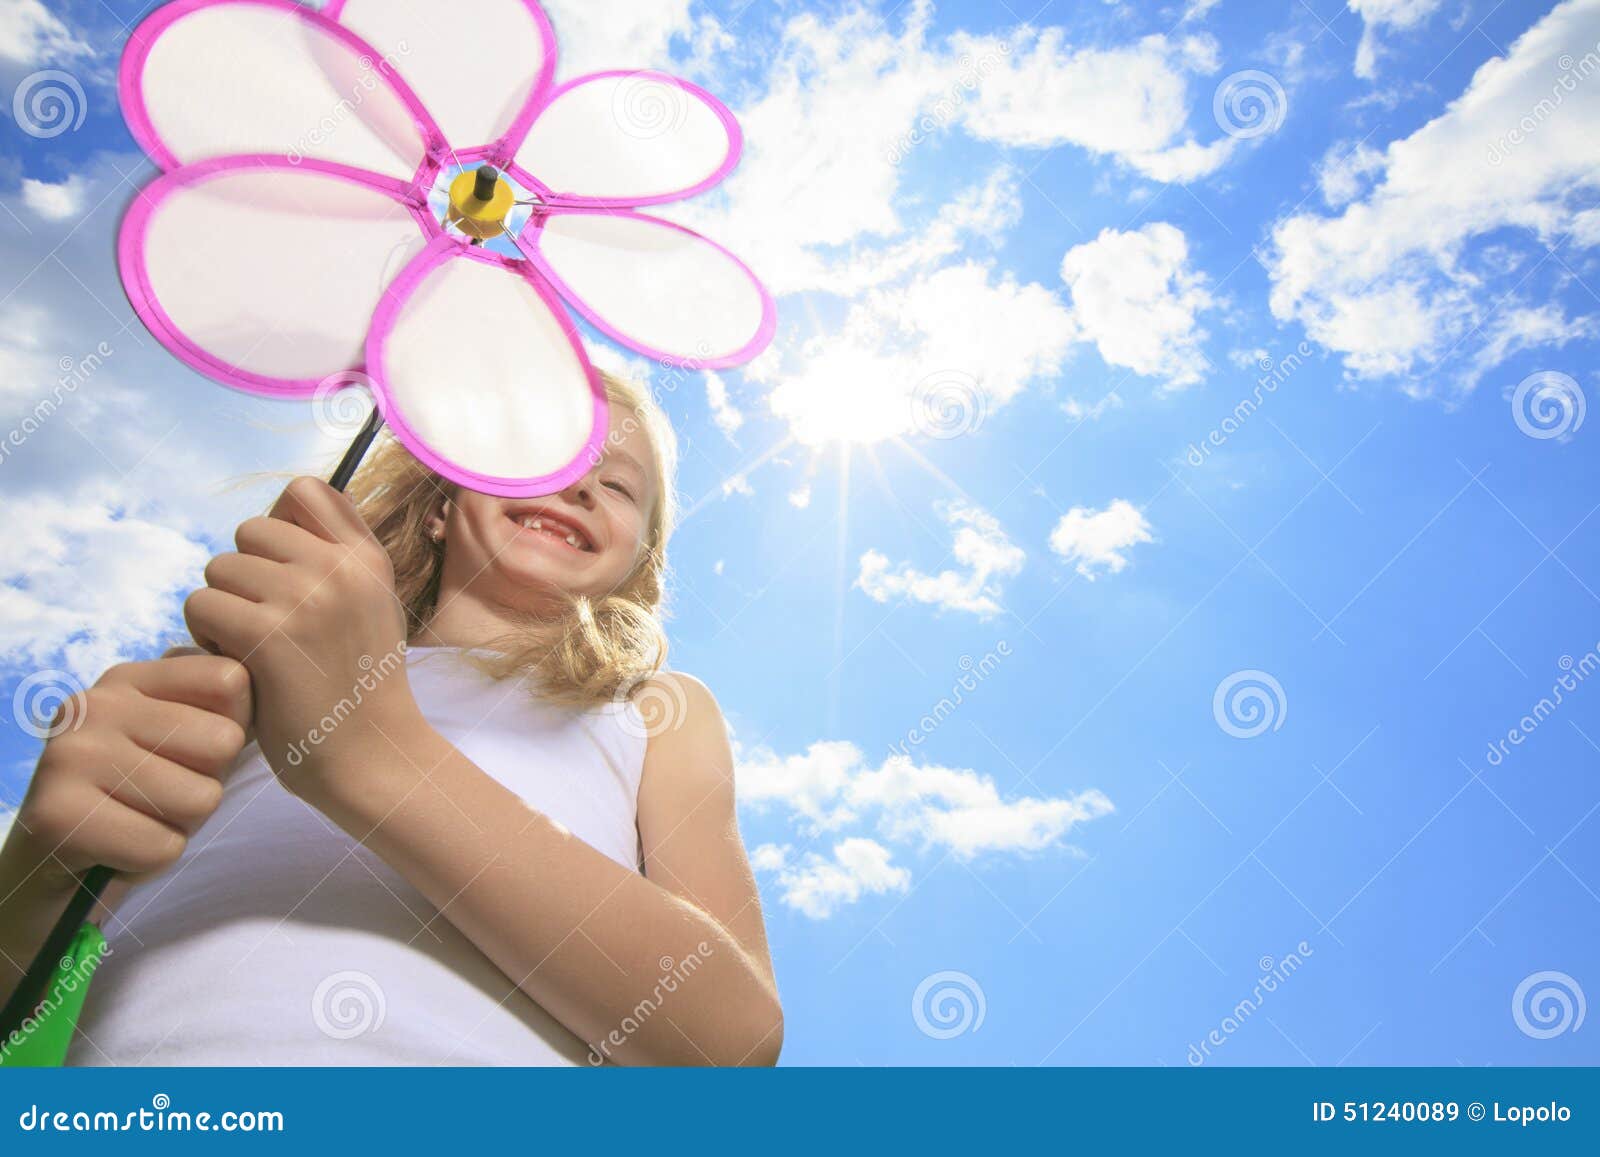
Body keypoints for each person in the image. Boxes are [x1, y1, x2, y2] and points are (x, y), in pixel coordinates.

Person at [0, 372, 782, 1065]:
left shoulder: (649, 711)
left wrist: (369, 755)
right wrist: (35, 875)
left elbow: (731, 1039)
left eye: (616, 485)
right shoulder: (256, 679)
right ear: (443, 505)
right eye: (542, 452)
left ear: (636, 564)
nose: (579, 482)